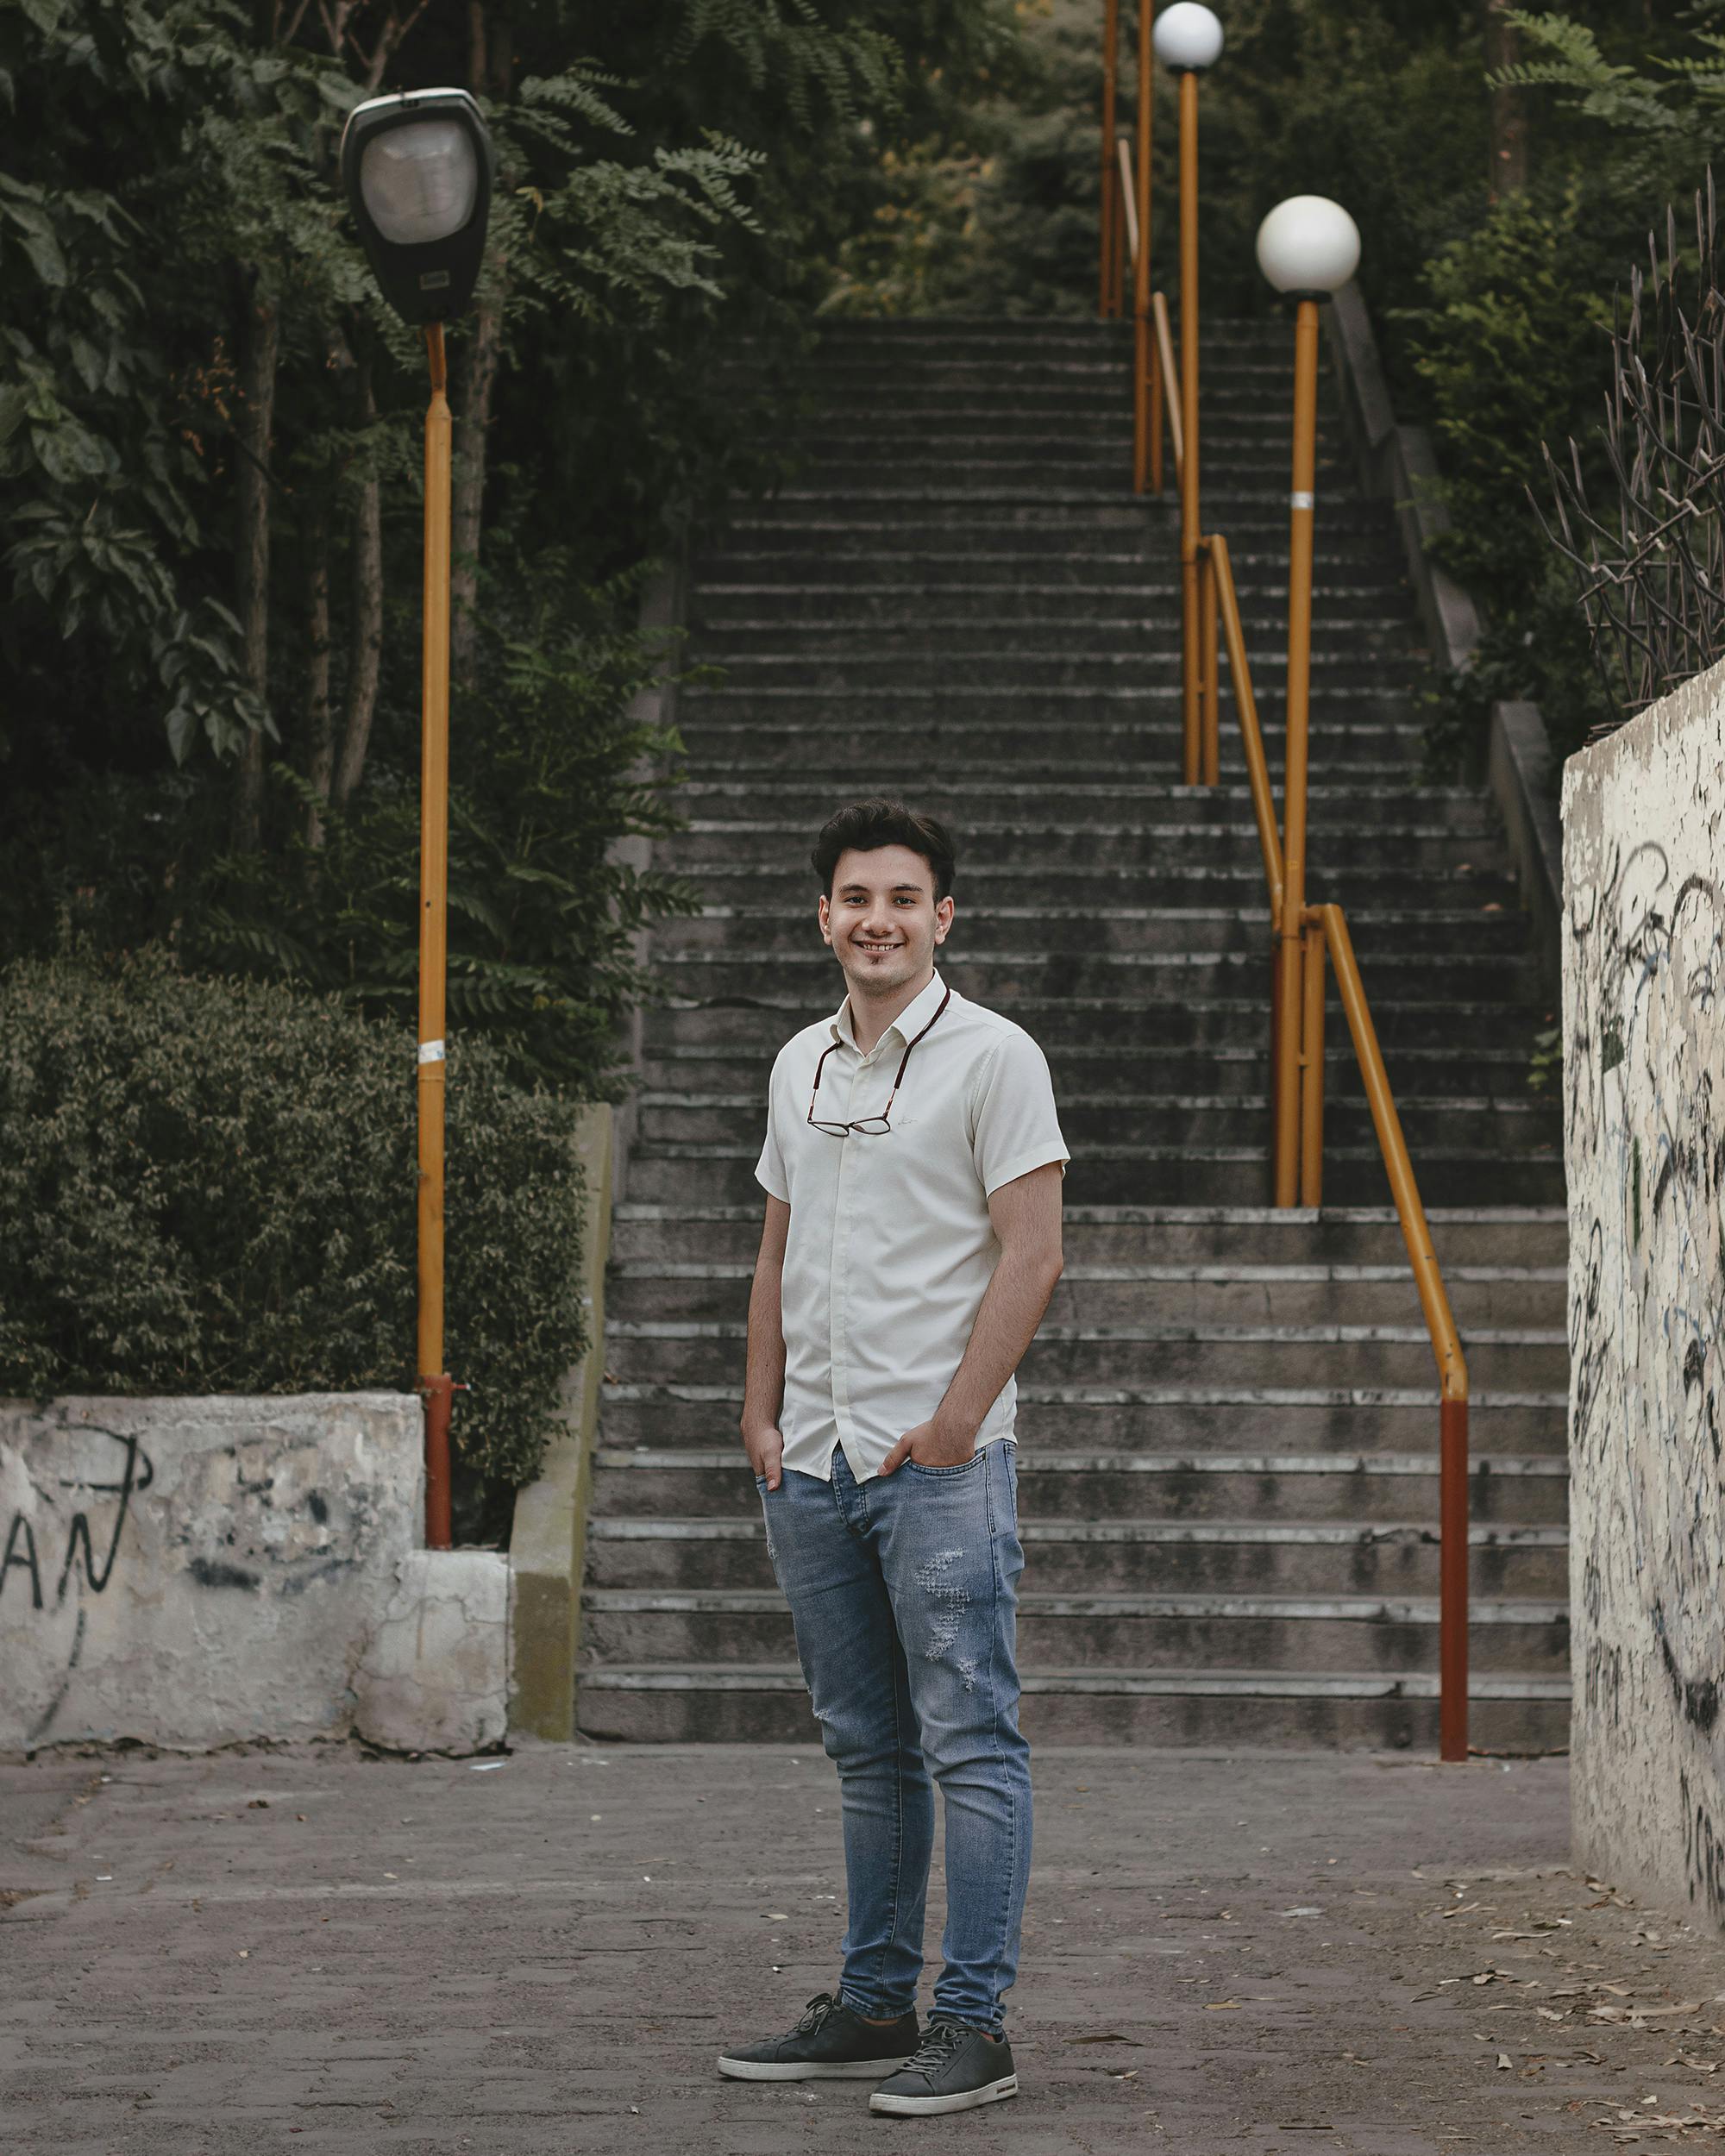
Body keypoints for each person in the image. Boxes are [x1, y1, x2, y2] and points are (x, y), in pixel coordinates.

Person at [716, 797, 1069, 2116]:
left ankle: (973, 2025)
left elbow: (1031, 1254)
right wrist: (762, 1416)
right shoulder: (799, 1062)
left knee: (969, 1739)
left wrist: (959, 1424)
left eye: (904, 900)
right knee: (866, 1747)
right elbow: (777, 1250)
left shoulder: (995, 1057)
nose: (878, 920)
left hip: (938, 1462)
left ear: (942, 919)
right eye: (856, 899)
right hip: (810, 1457)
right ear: (825, 917)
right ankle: (874, 2007)